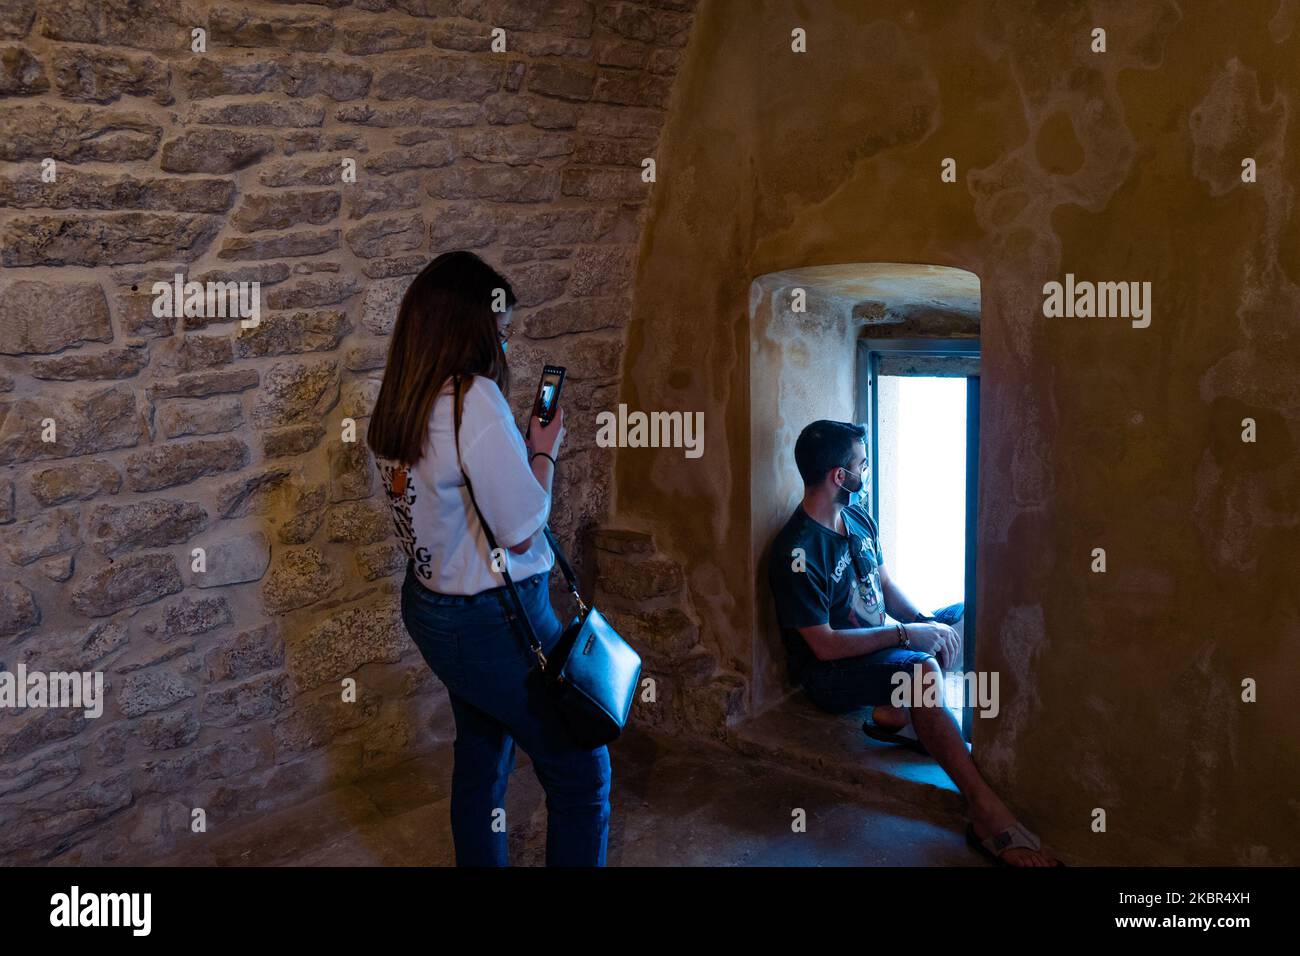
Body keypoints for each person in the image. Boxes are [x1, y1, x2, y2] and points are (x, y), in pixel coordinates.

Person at [367, 250, 610, 866]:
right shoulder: (472, 400)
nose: (503, 345)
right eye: (499, 332)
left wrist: (518, 452)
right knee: (581, 770)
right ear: (470, 327)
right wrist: (544, 450)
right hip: (494, 618)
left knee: (480, 757)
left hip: (429, 606)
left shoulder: (402, 397)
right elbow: (524, 532)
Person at [768, 420, 1061, 866]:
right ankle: (986, 813)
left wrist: (925, 623)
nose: (866, 470)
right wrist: (907, 636)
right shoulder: (797, 551)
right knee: (920, 668)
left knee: (966, 614)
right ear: (838, 476)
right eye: (861, 464)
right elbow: (823, 647)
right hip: (829, 674)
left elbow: (883, 586)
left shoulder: (857, 515)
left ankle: (894, 716)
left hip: (875, 647)